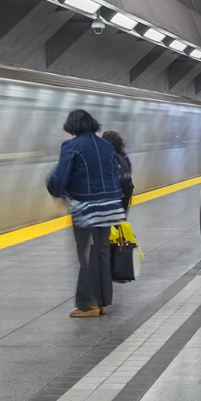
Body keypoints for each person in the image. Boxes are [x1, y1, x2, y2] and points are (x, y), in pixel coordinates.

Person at [47, 109, 125, 318]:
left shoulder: (71, 146)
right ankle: (103, 303)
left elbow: (61, 176)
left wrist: (56, 191)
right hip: (110, 207)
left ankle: (89, 304)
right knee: (102, 252)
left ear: (72, 126)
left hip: (87, 207)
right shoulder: (106, 146)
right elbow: (114, 173)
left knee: (86, 254)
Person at [102, 129, 135, 211]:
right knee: (120, 220)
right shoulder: (124, 157)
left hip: (112, 196)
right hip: (125, 193)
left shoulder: (107, 158)